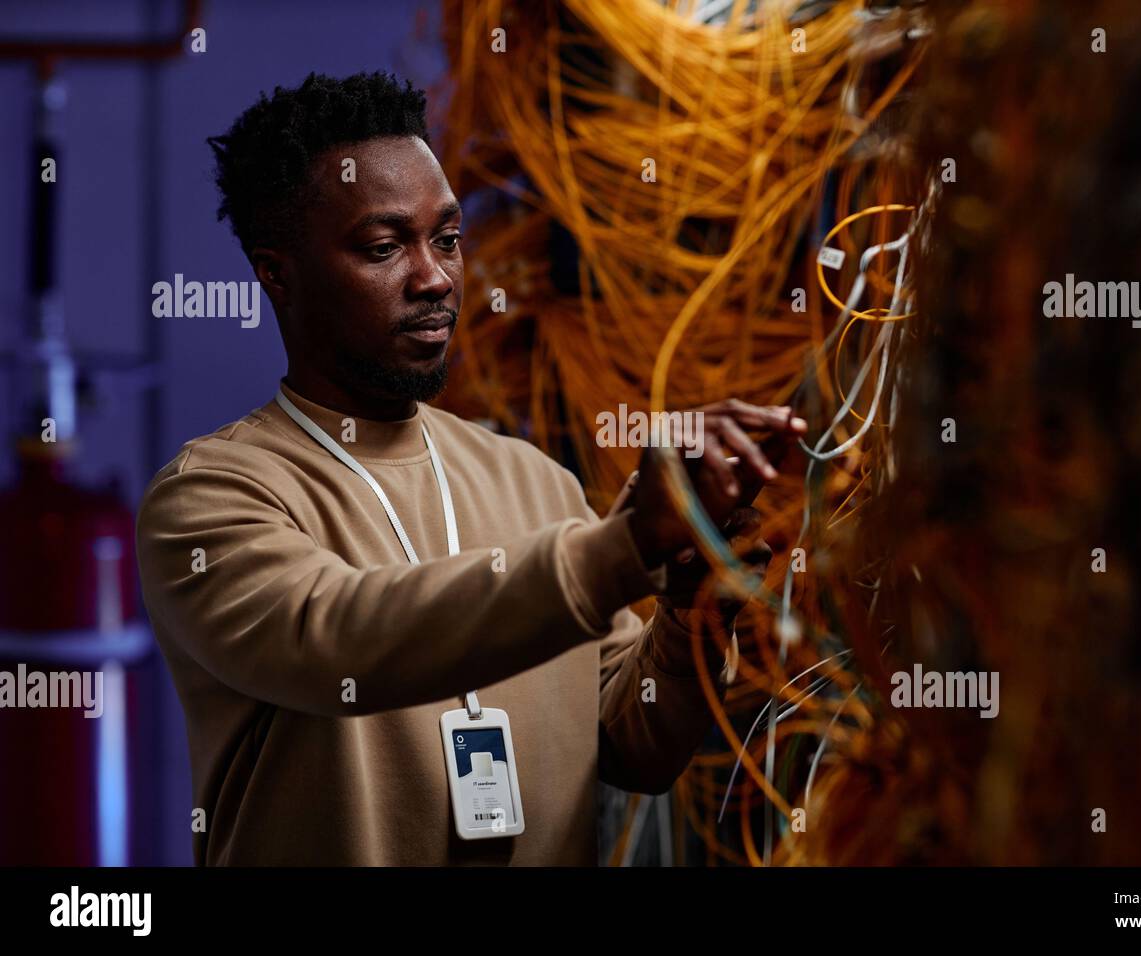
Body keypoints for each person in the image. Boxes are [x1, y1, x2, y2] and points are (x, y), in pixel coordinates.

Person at [135, 71, 805, 865]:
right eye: (385, 248)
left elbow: (636, 747)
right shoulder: (211, 500)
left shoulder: (532, 480)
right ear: (276, 273)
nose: (436, 279)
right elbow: (342, 637)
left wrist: (690, 616)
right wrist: (622, 546)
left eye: (446, 238)